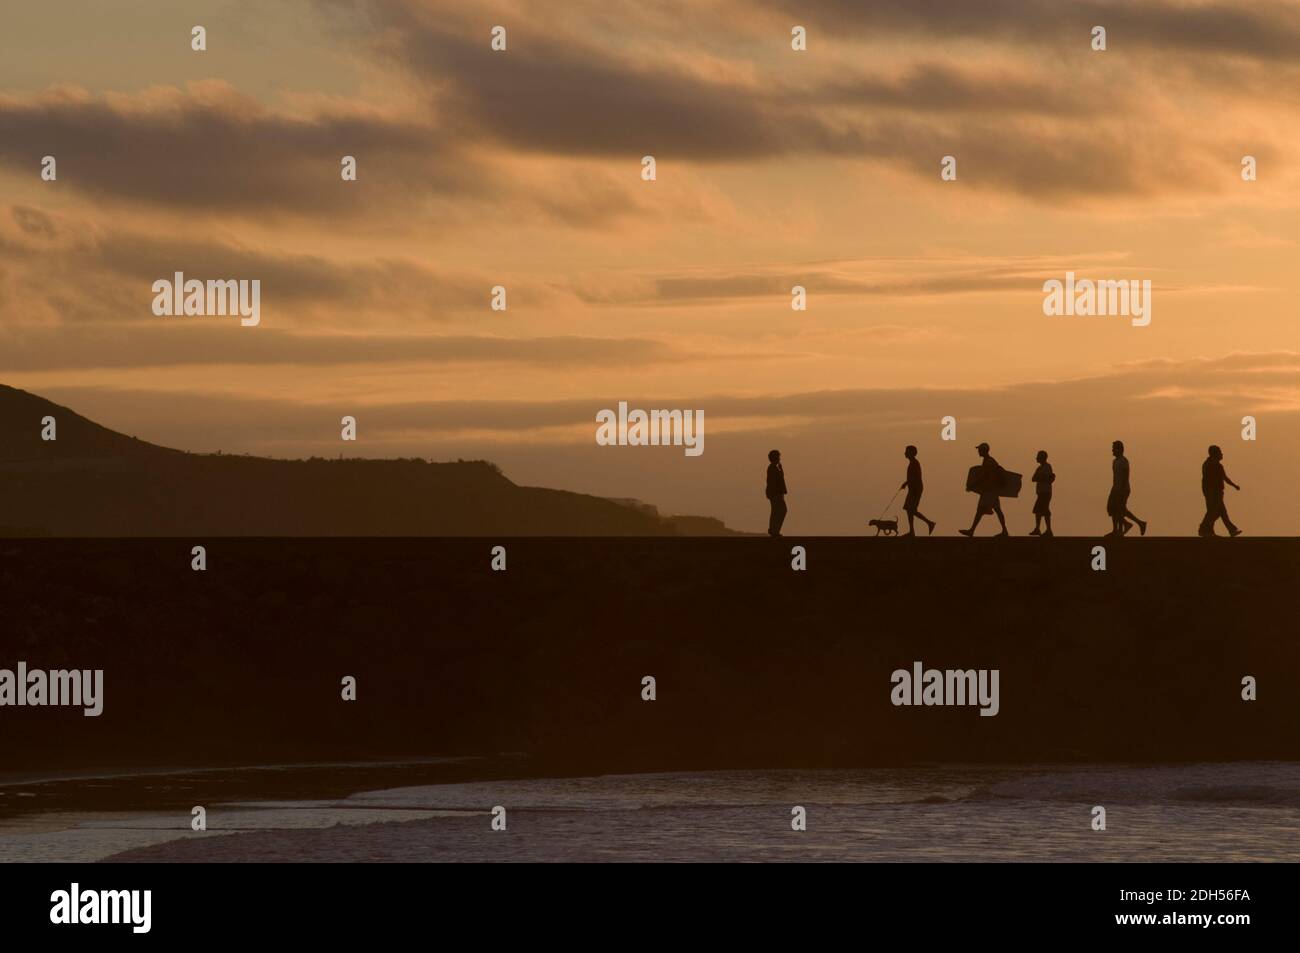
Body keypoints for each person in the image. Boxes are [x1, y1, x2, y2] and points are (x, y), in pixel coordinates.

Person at [959, 442, 1009, 537]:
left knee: (981, 510)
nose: (978, 451)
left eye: (979, 450)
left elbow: (984, 476)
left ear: (983, 450)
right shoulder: (989, 460)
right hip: (990, 491)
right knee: (995, 510)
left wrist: (972, 485)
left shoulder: (989, 461)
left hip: (989, 491)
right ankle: (1004, 530)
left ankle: (972, 530)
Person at [1198, 445, 1242, 537]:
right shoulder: (1210, 465)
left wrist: (1234, 486)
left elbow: (1225, 478)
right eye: (1219, 452)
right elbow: (1207, 480)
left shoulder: (1217, 465)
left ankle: (1212, 531)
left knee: (1219, 511)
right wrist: (1210, 493)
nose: (1222, 454)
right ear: (1215, 454)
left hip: (1216, 492)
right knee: (1215, 511)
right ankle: (1204, 529)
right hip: (1212, 493)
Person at [1107, 440, 1147, 537]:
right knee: (1112, 509)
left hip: (1123, 489)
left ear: (1119, 449)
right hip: (1115, 488)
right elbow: (1115, 477)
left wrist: (1121, 490)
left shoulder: (1123, 461)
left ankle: (1119, 530)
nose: (1112, 450)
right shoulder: (1114, 462)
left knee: (1119, 510)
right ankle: (1136, 524)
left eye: (1114, 448)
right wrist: (1114, 489)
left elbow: (1125, 476)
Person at [899, 445, 936, 536]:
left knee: (912, 510)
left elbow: (916, 477)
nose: (905, 453)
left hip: (915, 489)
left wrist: (908, 484)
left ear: (911, 453)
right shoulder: (912, 463)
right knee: (909, 509)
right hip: (913, 489)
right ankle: (912, 531)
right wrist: (906, 483)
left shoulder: (914, 463)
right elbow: (913, 477)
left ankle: (929, 523)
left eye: (907, 451)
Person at [1029, 450, 1054, 537]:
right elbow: (1034, 478)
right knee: (1039, 511)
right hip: (1041, 493)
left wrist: (1040, 477)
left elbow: (1042, 477)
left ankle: (1047, 530)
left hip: (1045, 492)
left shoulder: (1046, 467)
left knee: (1043, 511)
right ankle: (1039, 528)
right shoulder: (1040, 468)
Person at [766, 449, 787, 537]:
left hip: (776, 493)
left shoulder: (774, 468)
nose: (779, 458)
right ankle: (774, 530)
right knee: (781, 510)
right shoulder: (772, 468)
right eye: (778, 456)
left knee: (776, 511)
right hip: (776, 494)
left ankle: (773, 530)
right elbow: (775, 482)